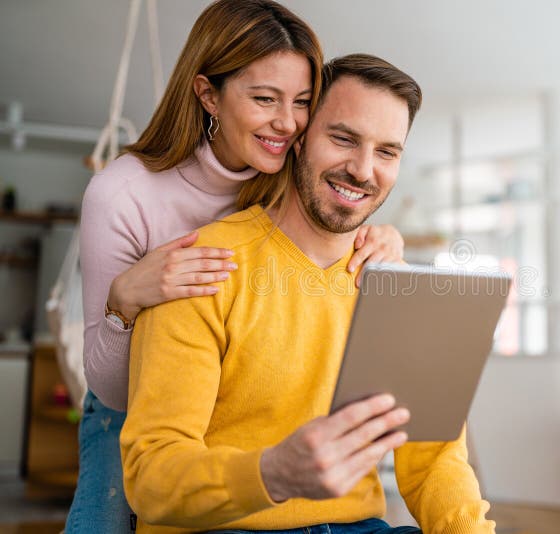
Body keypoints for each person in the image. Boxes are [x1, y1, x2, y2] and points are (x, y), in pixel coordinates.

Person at [121, 53, 496, 534]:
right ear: (297, 140)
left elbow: (434, 461)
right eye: (343, 139)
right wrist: (272, 473)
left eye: (387, 151)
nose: (363, 170)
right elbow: (151, 477)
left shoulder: (400, 290)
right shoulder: (202, 265)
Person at [68, 2, 403, 533]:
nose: (287, 123)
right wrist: (124, 300)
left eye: (301, 102)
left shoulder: (282, 172)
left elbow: (342, 206)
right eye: (265, 99)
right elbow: (112, 388)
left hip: (222, 408)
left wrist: (381, 238)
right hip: (127, 404)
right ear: (208, 95)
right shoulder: (121, 194)